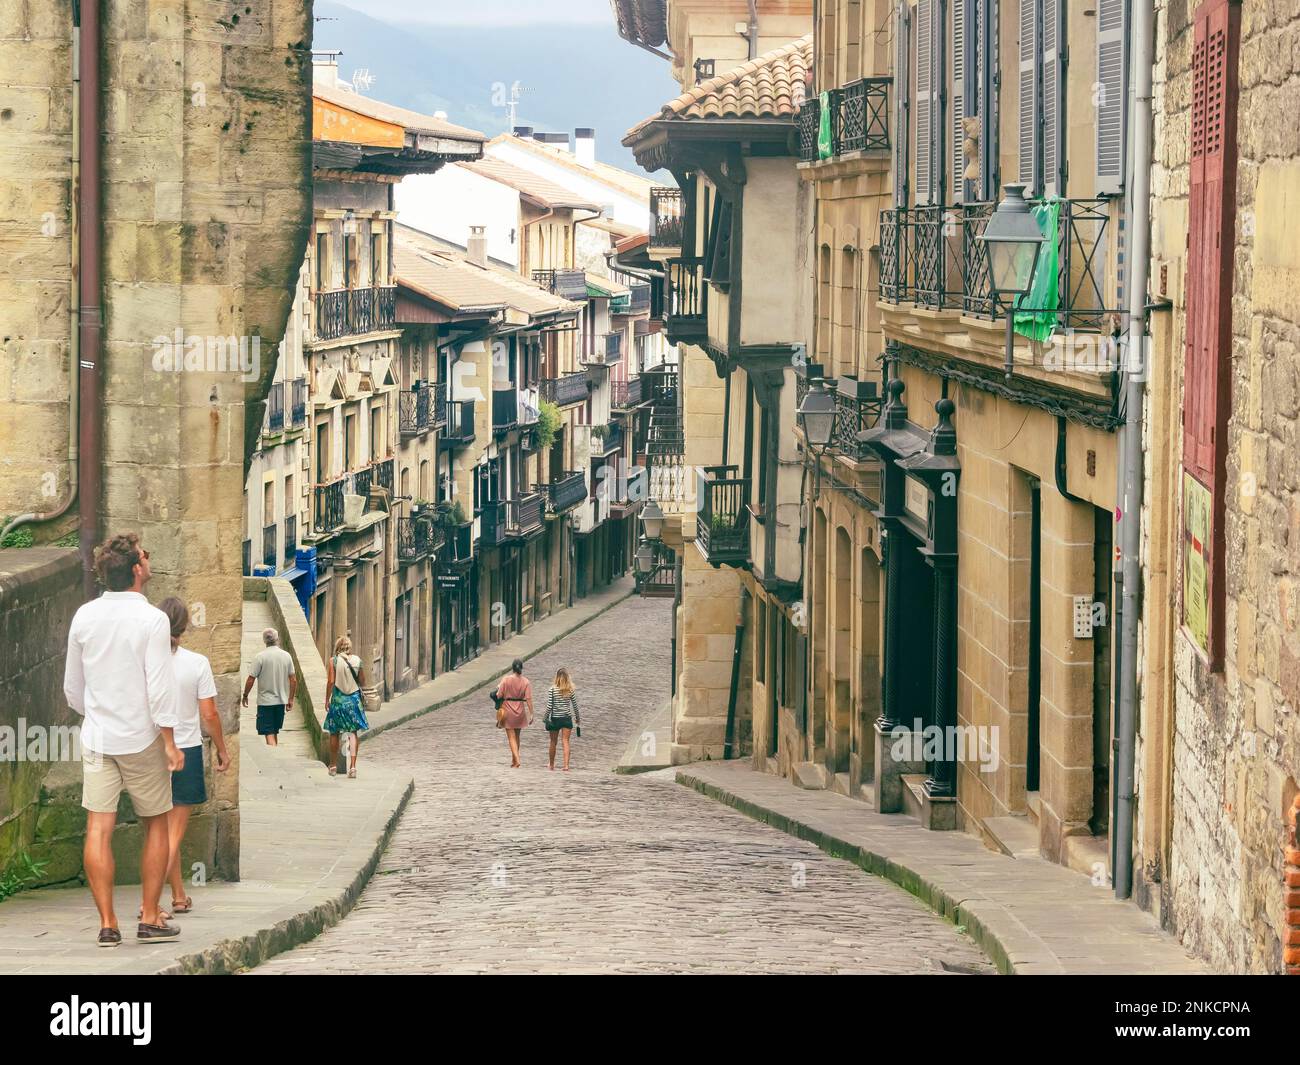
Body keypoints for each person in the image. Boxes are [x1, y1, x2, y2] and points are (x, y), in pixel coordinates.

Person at [63, 533, 185, 947]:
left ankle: (108, 924)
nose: (149, 561)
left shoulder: (84, 617)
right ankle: (150, 916)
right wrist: (169, 741)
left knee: (98, 827)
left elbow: (72, 690)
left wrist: (99, 715)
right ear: (136, 570)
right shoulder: (153, 620)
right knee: (156, 823)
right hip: (141, 737)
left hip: (98, 737)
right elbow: (159, 687)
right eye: (145, 557)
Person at [158, 597, 229, 917]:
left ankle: (178, 894)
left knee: (159, 830)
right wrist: (222, 749)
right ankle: (150, 902)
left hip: (151, 750)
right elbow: (210, 714)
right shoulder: (197, 663)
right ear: (185, 626)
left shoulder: (146, 662)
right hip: (185, 749)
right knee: (173, 833)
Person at [241, 628, 297, 746]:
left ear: (264, 641)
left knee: (269, 731)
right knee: (274, 730)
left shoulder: (260, 657)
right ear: (277, 639)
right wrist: (290, 698)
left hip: (265, 702)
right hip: (281, 701)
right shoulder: (286, 656)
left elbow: (251, 679)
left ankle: (275, 758)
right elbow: (293, 679)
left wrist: (245, 695)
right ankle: (276, 755)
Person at [324, 636, 369, 778]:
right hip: (354, 700)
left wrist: (327, 699)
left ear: (337, 647)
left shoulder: (333, 661)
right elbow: (362, 681)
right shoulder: (357, 660)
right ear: (349, 647)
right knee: (353, 733)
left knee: (334, 732)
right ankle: (353, 767)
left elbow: (331, 681)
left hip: (338, 699)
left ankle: (333, 766)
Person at [494, 658, 533, 768]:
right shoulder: (526, 681)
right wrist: (531, 714)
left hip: (508, 710)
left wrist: (499, 689)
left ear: (512, 668)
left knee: (511, 737)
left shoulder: (506, 679)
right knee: (517, 737)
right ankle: (514, 761)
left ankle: (517, 759)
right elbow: (529, 699)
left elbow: (499, 695)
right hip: (520, 710)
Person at [544, 668, 581, 772]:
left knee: (553, 741)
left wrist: (545, 717)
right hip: (567, 719)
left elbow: (549, 706)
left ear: (557, 677)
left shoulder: (552, 689)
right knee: (566, 741)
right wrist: (578, 718)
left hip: (555, 719)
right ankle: (566, 765)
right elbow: (575, 706)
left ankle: (551, 764)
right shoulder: (570, 690)